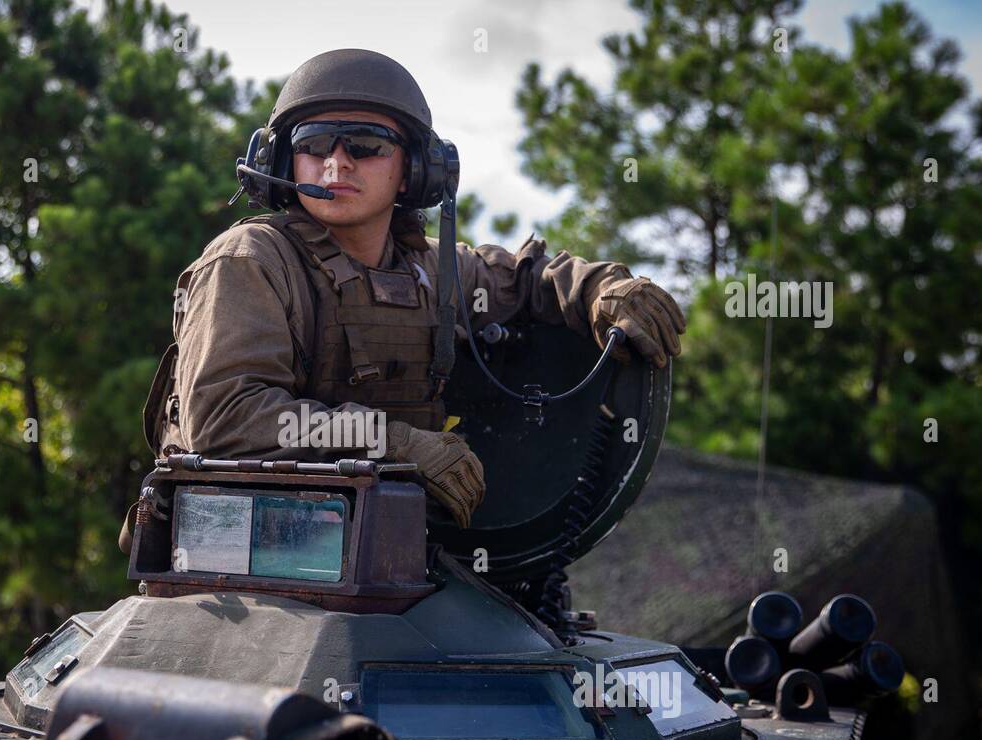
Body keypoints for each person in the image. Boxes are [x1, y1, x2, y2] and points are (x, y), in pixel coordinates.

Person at [135, 48, 683, 547]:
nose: (338, 162)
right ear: (285, 164)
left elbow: (527, 278)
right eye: (314, 144)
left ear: (414, 172)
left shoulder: (432, 270)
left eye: (367, 145)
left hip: (393, 556)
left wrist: (601, 290)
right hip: (248, 564)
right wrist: (394, 444)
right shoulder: (251, 261)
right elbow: (227, 420)